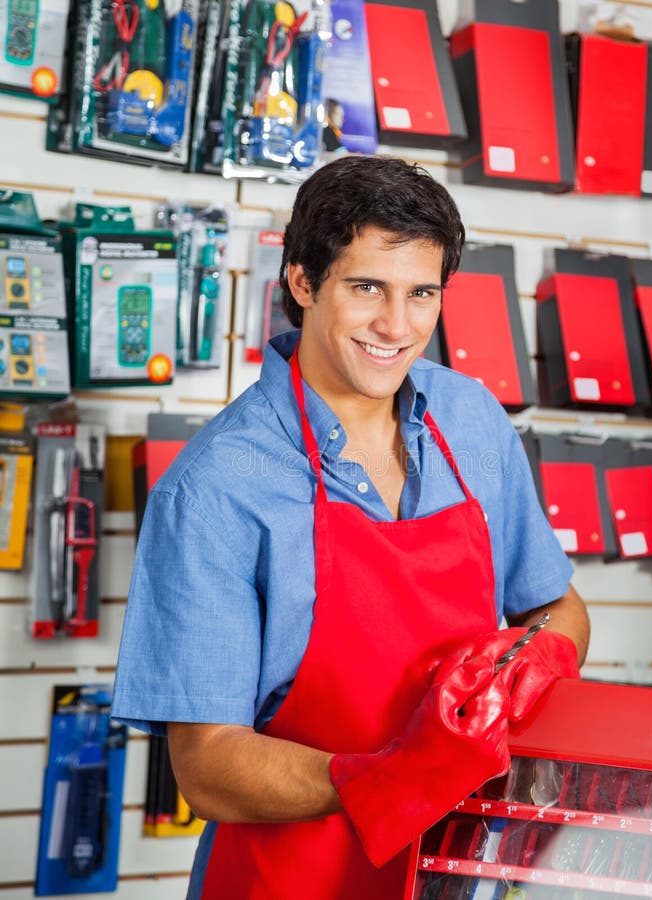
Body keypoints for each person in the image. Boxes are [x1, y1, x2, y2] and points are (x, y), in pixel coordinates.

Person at [111, 154, 590, 898]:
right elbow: (206, 768)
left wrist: (528, 678)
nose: (396, 327)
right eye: (367, 287)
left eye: (421, 293)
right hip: (289, 879)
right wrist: (396, 776)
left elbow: (554, 607)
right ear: (303, 282)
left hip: (453, 868)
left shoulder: (472, 419)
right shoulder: (215, 489)